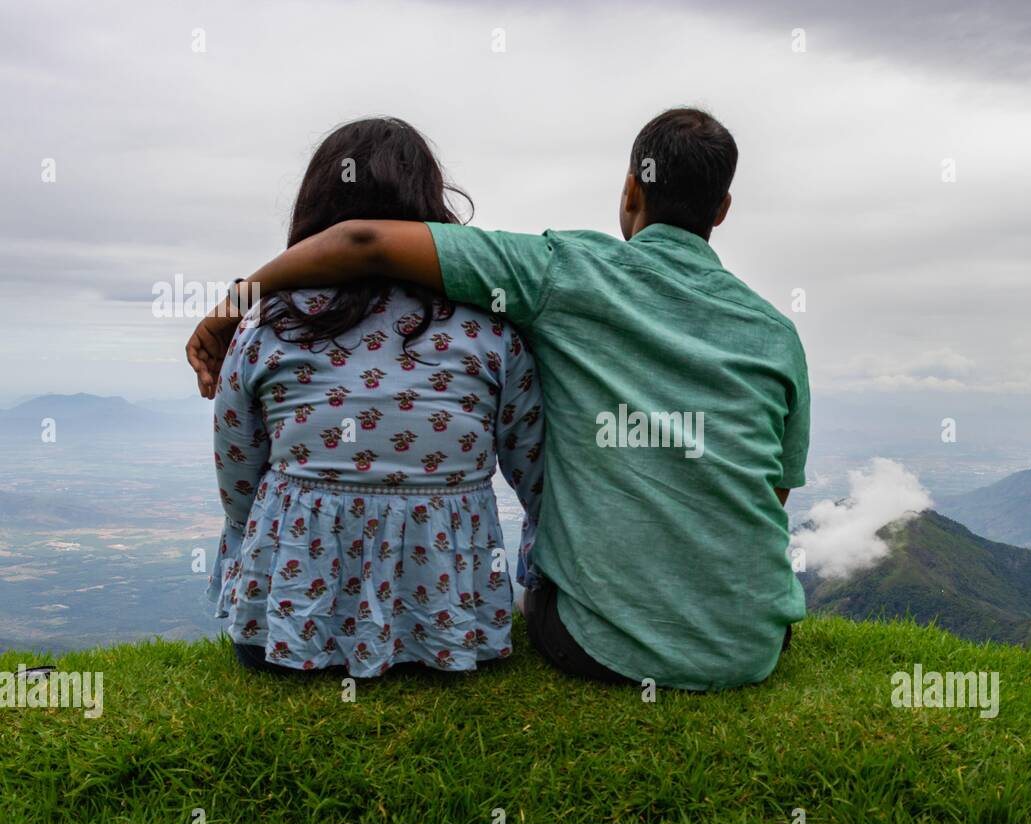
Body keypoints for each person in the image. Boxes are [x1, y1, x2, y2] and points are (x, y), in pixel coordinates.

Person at [189, 107, 808, 691]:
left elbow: (360, 245)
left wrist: (232, 307)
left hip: (578, 644)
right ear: (723, 208)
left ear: (630, 192)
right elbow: (769, 495)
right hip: (744, 647)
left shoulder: (557, 272)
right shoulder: (776, 333)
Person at [204, 117, 544, 678]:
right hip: (451, 634)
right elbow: (532, 473)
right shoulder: (492, 328)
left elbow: (238, 476)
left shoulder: (268, 323)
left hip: (288, 636)